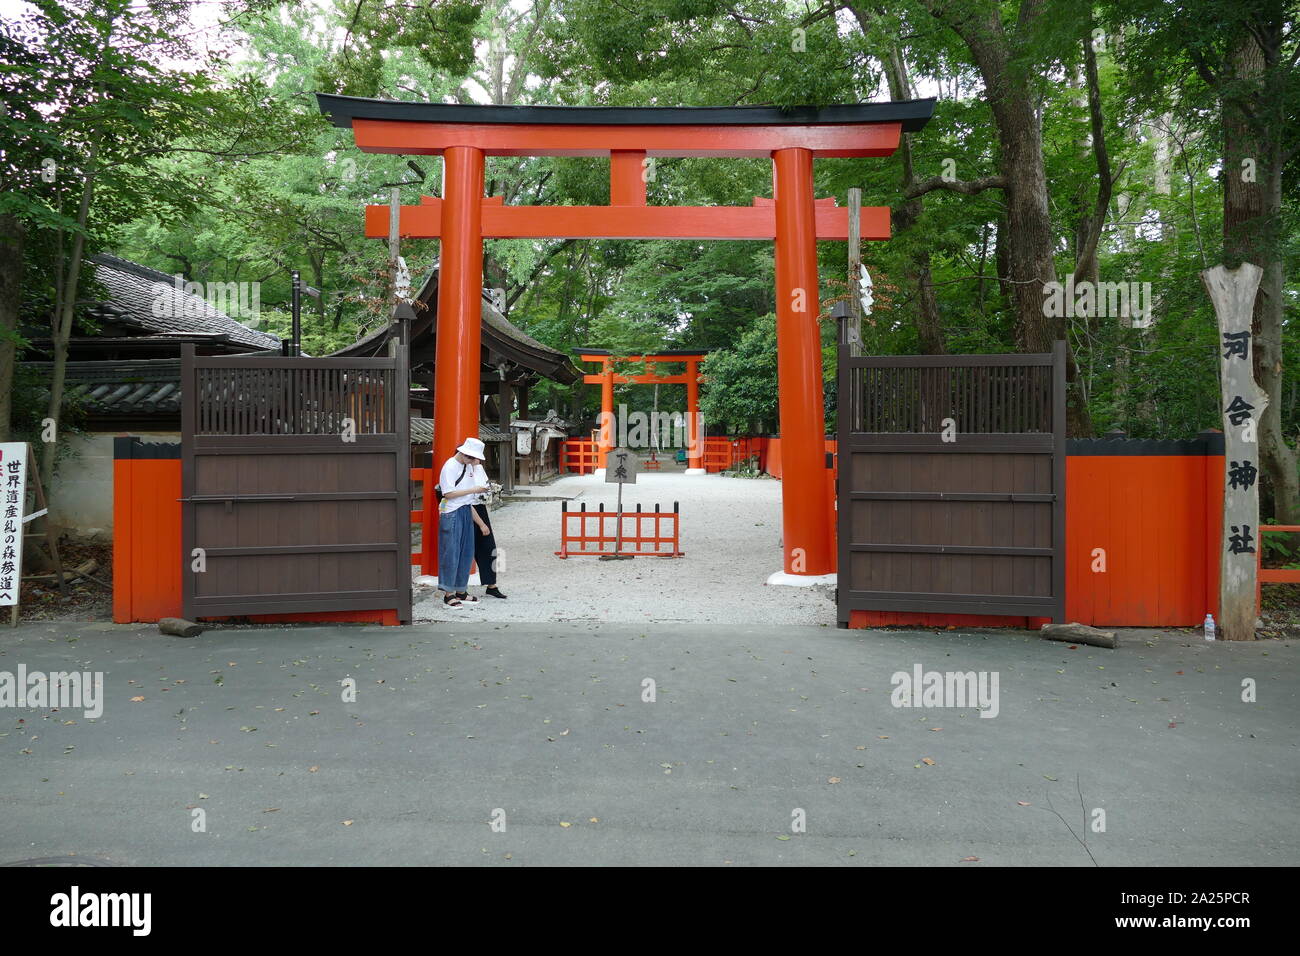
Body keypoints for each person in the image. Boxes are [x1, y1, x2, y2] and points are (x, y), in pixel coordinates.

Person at [437, 437, 489, 609]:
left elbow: (466, 499)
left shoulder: (468, 466)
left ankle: (460, 590)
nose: (473, 461)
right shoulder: (450, 466)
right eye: (472, 457)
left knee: (466, 553)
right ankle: (448, 594)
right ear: (464, 453)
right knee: (451, 553)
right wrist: (475, 489)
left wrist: (481, 523)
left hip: (466, 510)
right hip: (452, 512)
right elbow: (448, 494)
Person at [472, 497, 507, 599]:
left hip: (479, 506)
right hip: (464, 507)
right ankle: (459, 590)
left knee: (488, 547)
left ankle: (491, 585)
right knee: (466, 550)